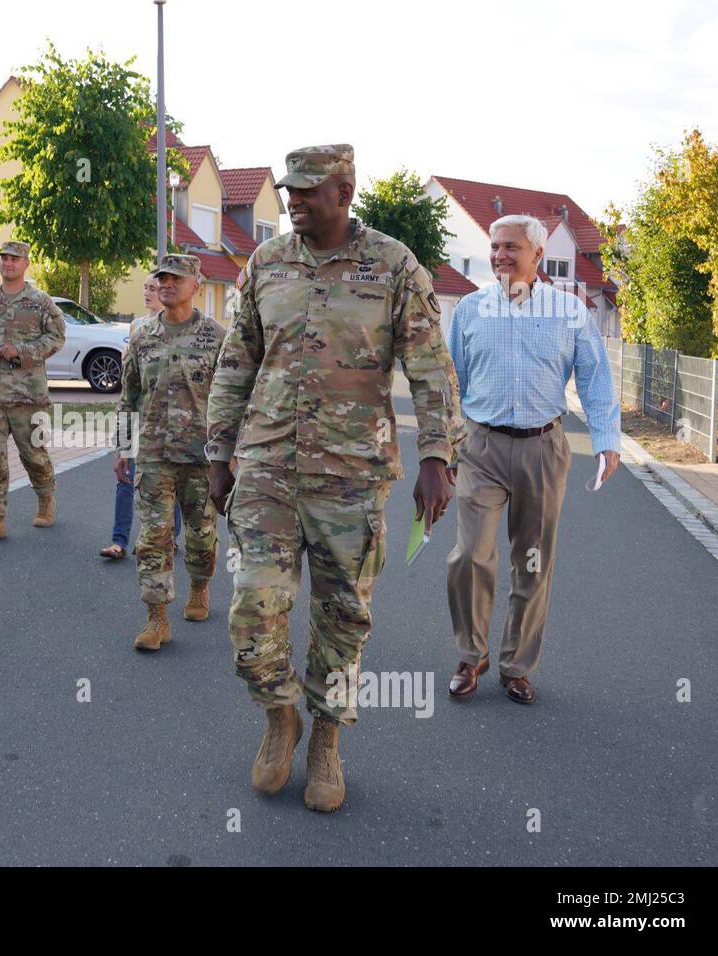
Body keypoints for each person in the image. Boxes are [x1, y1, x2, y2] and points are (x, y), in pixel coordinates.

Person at [207, 145, 463, 811]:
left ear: (344, 190)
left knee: (342, 618)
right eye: (288, 190)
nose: (292, 200)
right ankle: (278, 714)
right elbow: (238, 361)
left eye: (307, 191)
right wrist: (218, 451)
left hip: (352, 473)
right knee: (251, 614)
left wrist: (438, 456)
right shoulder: (266, 263)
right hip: (267, 465)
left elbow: (430, 366)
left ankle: (325, 736)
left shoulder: (393, 265)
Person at [445, 214, 621, 704]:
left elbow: (594, 377)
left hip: (544, 448)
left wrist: (607, 438)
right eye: (495, 246)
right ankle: (469, 653)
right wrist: (442, 448)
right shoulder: (470, 311)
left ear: (538, 255)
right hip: (480, 447)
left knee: (532, 561)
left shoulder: (569, 312)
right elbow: (449, 384)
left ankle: (516, 665)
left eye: (511, 247)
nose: (500, 255)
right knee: (469, 555)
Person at [117, 254, 224, 650]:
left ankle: (199, 585)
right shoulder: (142, 334)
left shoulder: (216, 336)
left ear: (196, 283)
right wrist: (124, 449)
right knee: (153, 538)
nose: (166, 284)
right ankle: (156, 619)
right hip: (154, 454)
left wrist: (231, 455)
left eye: (176, 278)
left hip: (202, 457)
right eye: (161, 277)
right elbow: (128, 395)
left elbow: (233, 398)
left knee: (200, 535)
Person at [0, 241, 66, 543]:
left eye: (14, 259)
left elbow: (58, 336)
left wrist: (23, 352)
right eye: (4, 258)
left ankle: (45, 497)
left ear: (26, 263)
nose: (8, 263)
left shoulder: (40, 302)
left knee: (34, 455)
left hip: (28, 395)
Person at [100, 275, 181, 559]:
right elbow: (129, 383)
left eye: (154, 288)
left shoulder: (179, 328)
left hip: (169, 422)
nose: (148, 292)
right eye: (145, 287)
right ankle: (118, 540)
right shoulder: (136, 327)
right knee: (125, 477)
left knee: (172, 481)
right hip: (135, 414)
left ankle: (169, 536)